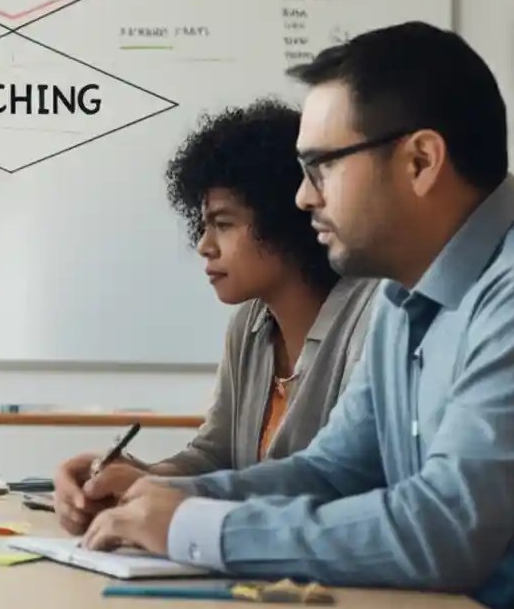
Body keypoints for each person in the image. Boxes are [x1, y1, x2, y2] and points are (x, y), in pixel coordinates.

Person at [74, 22, 514, 609]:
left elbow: (447, 528)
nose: (304, 197)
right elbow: (332, 471)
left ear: (420, 161)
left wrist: (194, 526)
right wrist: (157, 496)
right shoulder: (400, 293)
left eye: (320, 167)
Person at [53, 100, 378, 527]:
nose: (204, 245)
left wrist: (162, 494)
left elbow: (339, 483)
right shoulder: (249, 325)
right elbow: (215, 455)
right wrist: (136, 480)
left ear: (286, 222)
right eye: (203, 225)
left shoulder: (371, 320)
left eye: (223, 224)